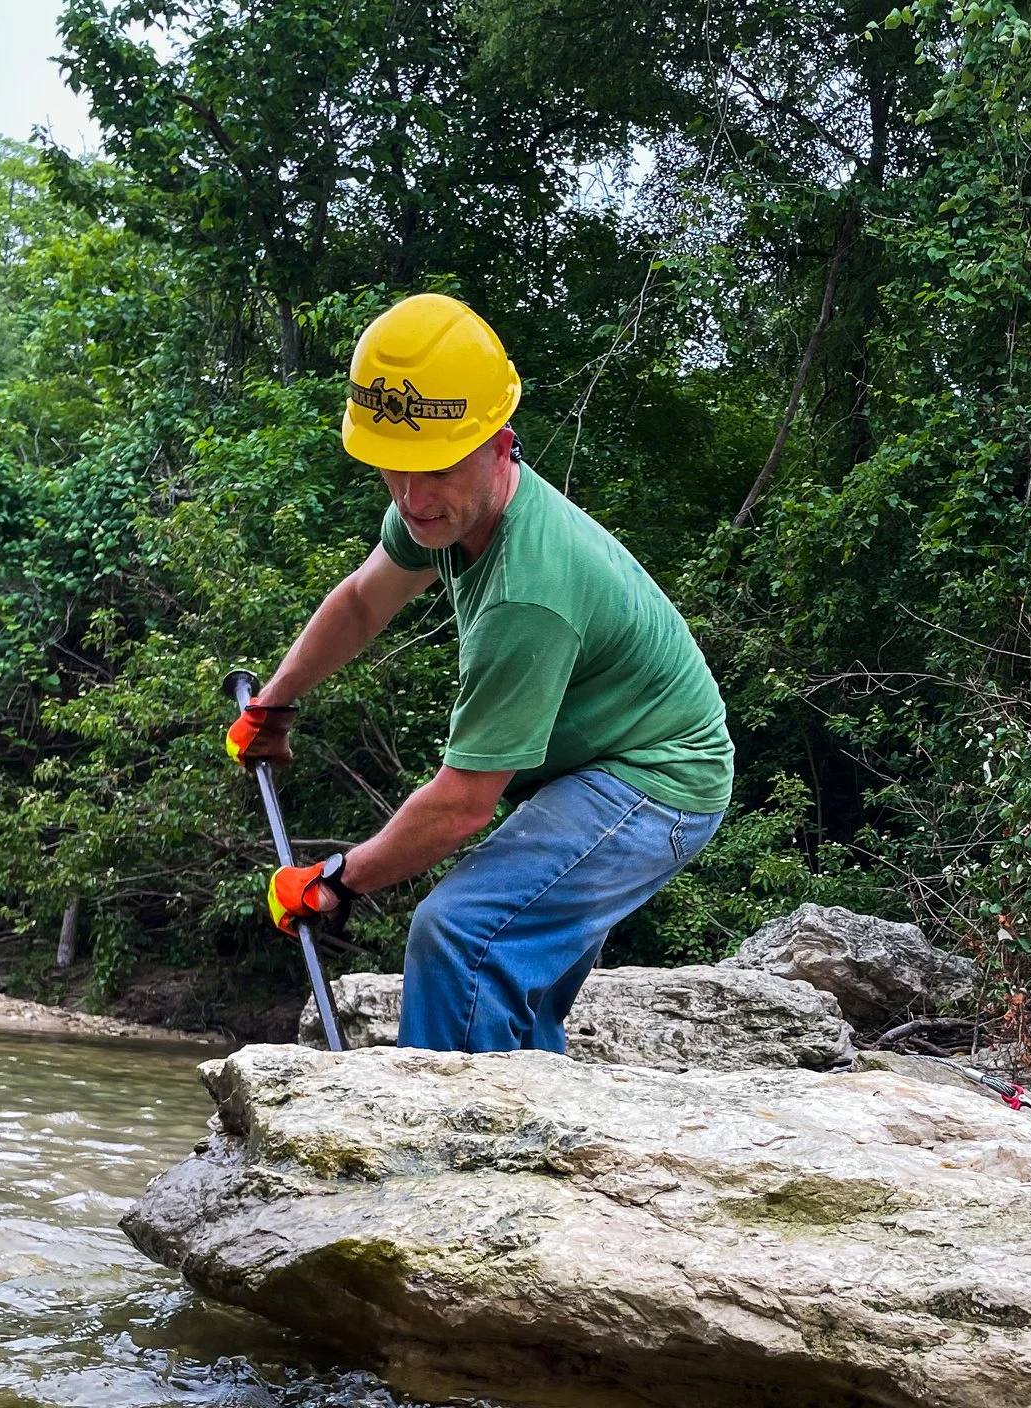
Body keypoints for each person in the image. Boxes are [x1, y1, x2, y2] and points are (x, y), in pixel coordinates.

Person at [229, 292, 734, 1054]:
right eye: (393, 470)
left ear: (500, 446)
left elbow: (462, 806)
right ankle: (529, 1147)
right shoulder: (440, 507)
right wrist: (275, 702)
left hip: (658, 781)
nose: (412, 497)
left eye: (434, 470)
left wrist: (334, 879)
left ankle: (444, 1158)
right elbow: (364, 602)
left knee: (461, 933)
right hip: (604, 763)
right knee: (511, 997)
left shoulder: (526, 593)